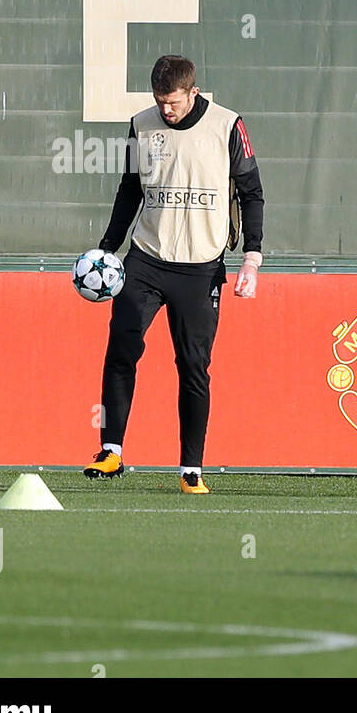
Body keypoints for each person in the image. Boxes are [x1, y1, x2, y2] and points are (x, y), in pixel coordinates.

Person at [82, 55, 265, 494]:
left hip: (201, 268)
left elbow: (252, 192)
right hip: (145, 260)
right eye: (161, 101)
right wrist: (107, 251)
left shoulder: (227, 125)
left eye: (174, 102)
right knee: (122, 349)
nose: (167, 110)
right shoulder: (142, 124)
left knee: (193, 367)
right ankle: (111, 451)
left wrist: (252, 259)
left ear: (193, 92)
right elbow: (129, 190)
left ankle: (190, 470)